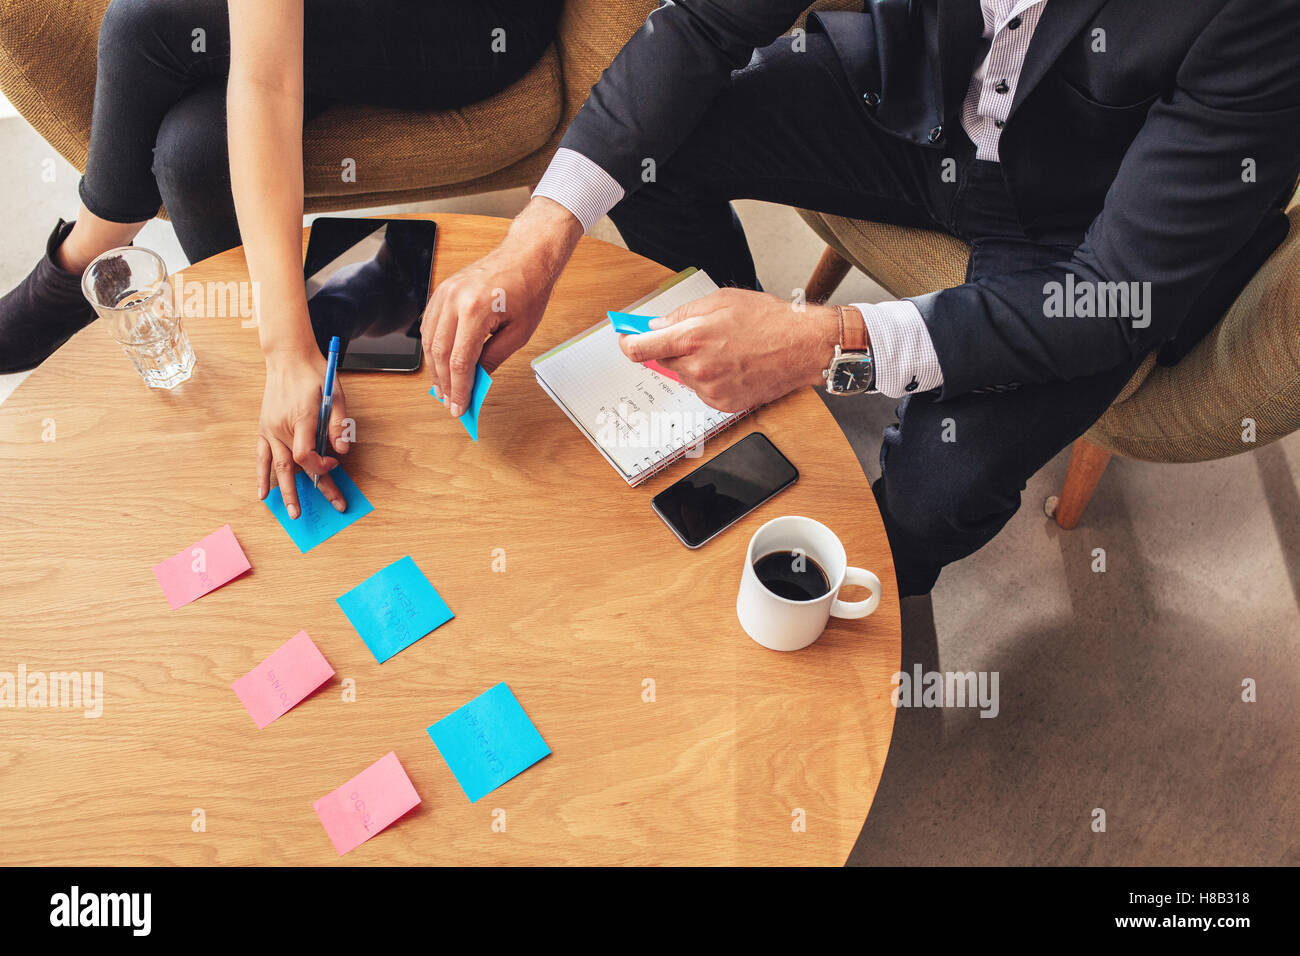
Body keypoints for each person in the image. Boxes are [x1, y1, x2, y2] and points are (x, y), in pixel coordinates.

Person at [420, 0, 1300, 597]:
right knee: (648, 160)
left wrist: (823, 338)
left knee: (933, 490)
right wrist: (538, 234)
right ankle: (733, 386)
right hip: (909, 103)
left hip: (1083, 233)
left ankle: (854, 605)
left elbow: (1115, 292)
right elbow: (698, 23)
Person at [0, 0, 562, 518]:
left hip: (478, 21)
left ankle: (82, 264)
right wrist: (282, 351)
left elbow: (268, 82)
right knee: (192, 153)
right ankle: (274, 383)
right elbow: (261, 75)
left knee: (139, 25)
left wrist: (289, 347)